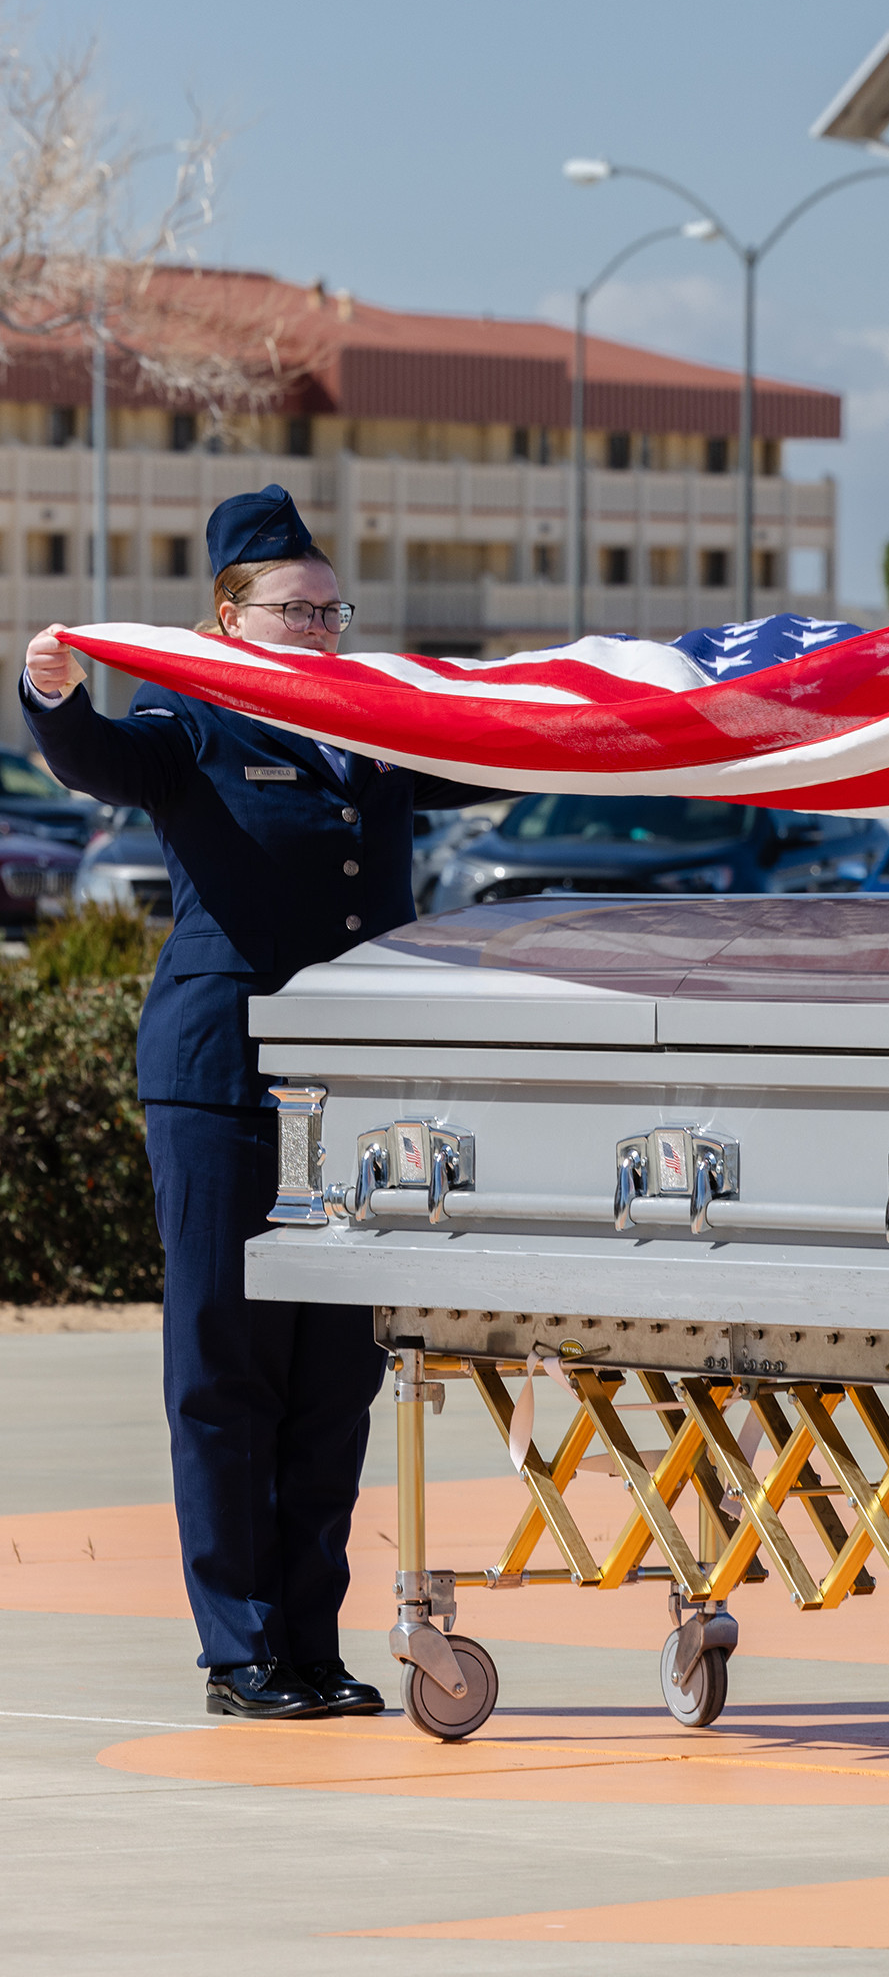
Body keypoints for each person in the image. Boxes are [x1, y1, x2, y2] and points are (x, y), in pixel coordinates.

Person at [20, 486, 501, 1720]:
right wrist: (53, 699)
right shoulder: (191, 715)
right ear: (231, 616)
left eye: (335, 609)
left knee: (334, 1376)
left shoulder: (370, 726)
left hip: (351, 1087)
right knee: (227, 1368)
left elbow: (488, 753)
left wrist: (621, 729)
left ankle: (310, 1641)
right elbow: (101, 759)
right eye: (299, 609)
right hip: (223, 1080)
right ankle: (239, 1649)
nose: (324, 628)